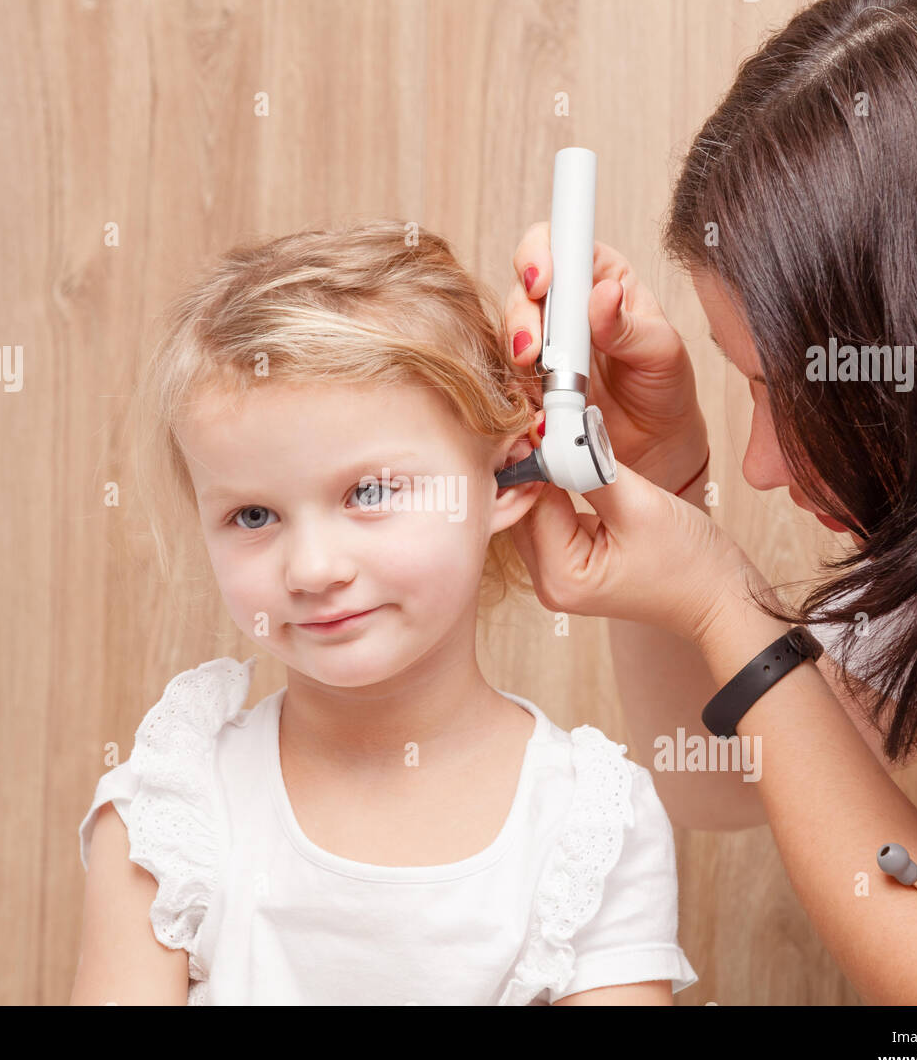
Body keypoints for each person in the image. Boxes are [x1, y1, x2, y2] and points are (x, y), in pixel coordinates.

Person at [502, 0, 917, 1003]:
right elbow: (722, 773)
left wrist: (721, 598)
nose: (761, 461)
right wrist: (661, 476)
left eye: (781, 392)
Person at [70, 219, 698, 1005]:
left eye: (368, 493)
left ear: (512, 475)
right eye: (254, 516)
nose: (313, 569)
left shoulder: (588, 825)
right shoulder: (169, 819)